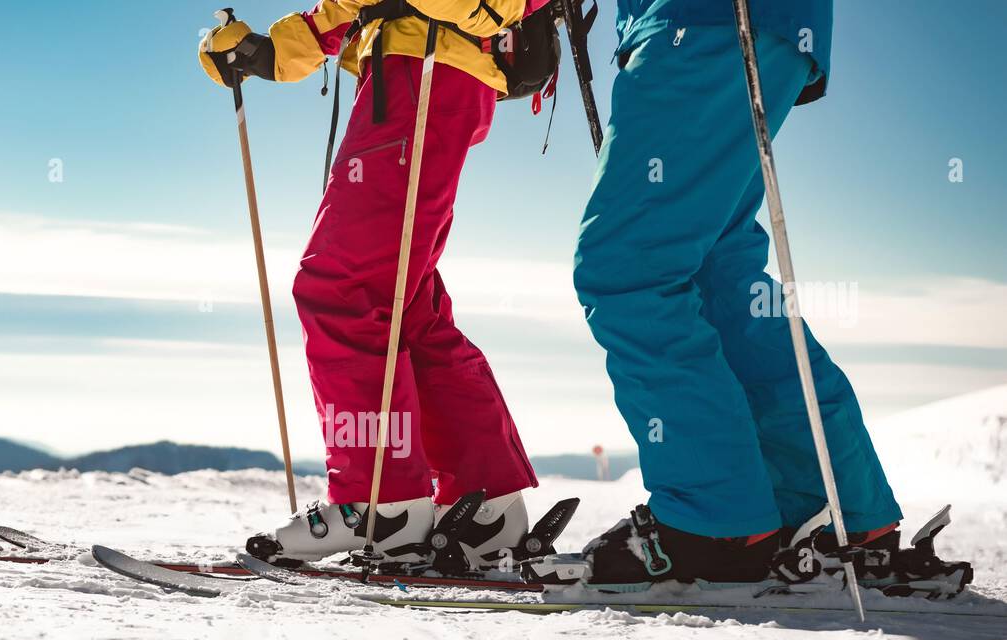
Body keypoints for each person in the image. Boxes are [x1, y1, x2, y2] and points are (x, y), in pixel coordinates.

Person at [571, 0, 925, 586]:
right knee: (716, 277)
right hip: (749, 25)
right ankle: (828, 510)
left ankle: (717, 524)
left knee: (629, 266)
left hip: (697, 22)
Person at [199, 1, 547, 567]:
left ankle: (382, 506)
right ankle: (485, 508)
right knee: (403, 303)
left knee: (340, 287)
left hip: (427, 70)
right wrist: (268, 53)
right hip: (411, 70)